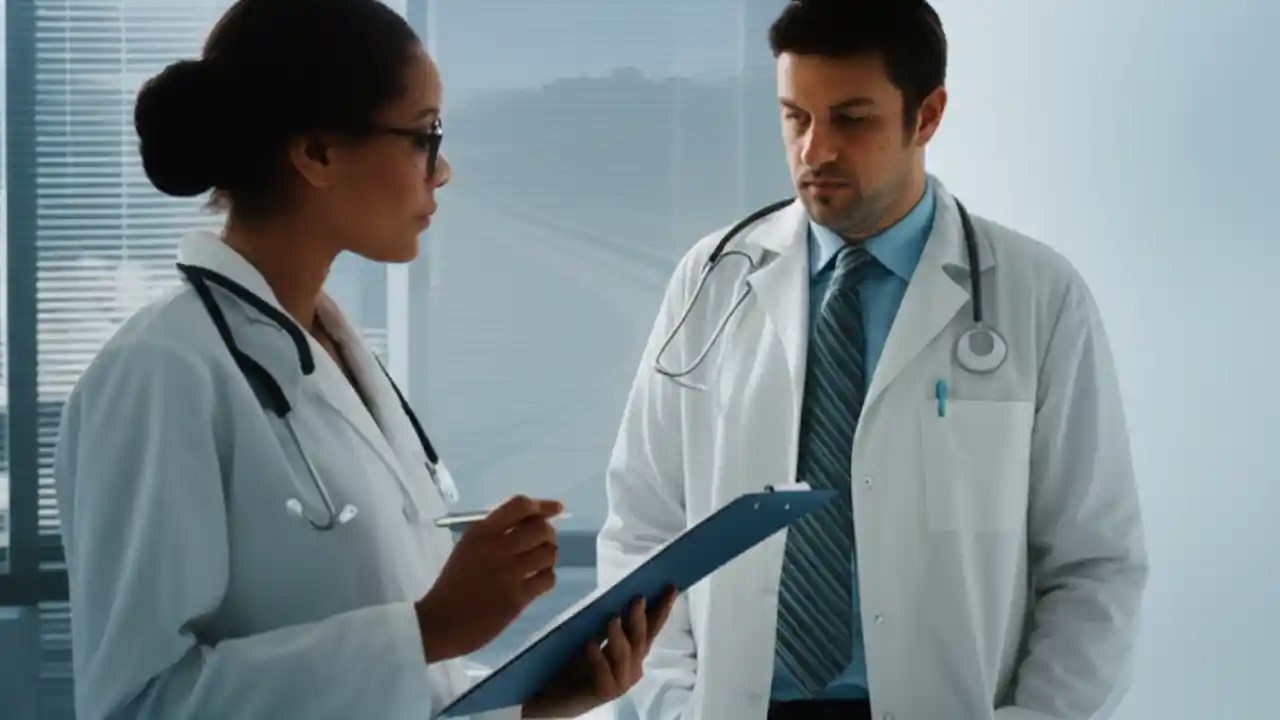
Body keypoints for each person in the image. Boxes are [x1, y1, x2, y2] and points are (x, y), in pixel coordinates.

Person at [52, 1, 675, 718]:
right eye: (425, 136)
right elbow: (139, 703)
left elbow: (396, 688)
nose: (442, 171)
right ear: (317, 152)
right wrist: (428, 630)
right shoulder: (158, 374)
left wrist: (536, 704)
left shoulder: (337, 357)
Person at [597, 1, 1148, 719]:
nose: (814, 151)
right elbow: (644, 526)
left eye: (851, 120)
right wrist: (672, 704)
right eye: (795, 116)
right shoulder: (714, 277)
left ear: (928, 116)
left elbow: (1093, 565)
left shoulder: (1037, 294)